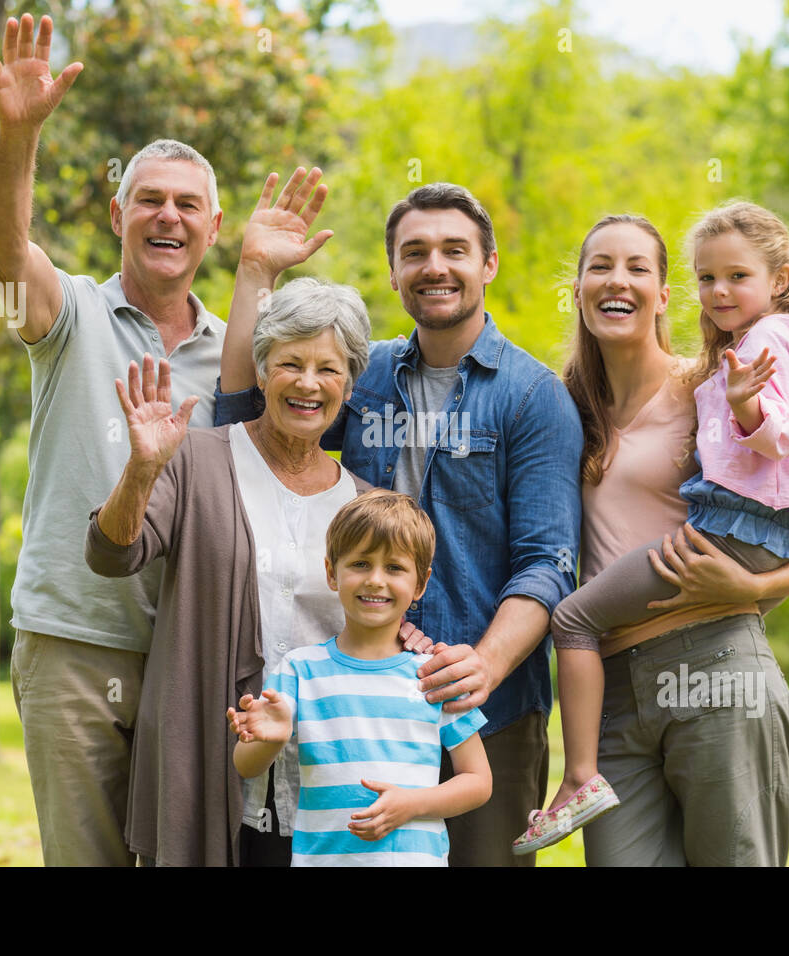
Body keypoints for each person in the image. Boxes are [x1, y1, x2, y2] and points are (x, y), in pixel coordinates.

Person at [217, 182, 583, 866]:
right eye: (415, 252)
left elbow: (550, 561)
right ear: (393, 272)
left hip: (487, 711)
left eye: (454, 250)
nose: (434, 266)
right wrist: (257, 277)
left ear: (490, 263)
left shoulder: (534, 397)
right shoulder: (365, 375)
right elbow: (242, 418)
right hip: (361, 704)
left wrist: (487, 663)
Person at [518, 202, 789, 855]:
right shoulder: (562, 407)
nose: (616, 281)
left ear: (662, 295)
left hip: (715, 665)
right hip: (611, 688)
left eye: (637, 268)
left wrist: (745, 588)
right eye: (599, 267)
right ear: (577, 291)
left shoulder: (713, 389)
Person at [0, 13, 233, 865]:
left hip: (186, 652)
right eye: (150, 200)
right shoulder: (70, 313)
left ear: (213, 227)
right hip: (75, 643)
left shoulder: (233, 351)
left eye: (187, 205)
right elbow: (6, 252)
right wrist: (20, 135)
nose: (168, 216)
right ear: (120, 212)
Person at [86, 276, 433, 866]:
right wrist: (143, 469)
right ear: (263, 368)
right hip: (214, 762)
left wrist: (409, 634)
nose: (307, 383)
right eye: (289, 362)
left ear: (348, 385)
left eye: (328, 369)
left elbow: (379, 607)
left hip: (327, 789)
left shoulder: (362, 505)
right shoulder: (198, 459)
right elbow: (111, 555)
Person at [227, 490, 493, 866]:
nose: (375, 580)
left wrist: (412, 804)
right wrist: (272, 740)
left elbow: (478, 781)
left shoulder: (434, 674)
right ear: (332, 573)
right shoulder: (299, 671)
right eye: (361, 564)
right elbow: (245, 765)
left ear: (421, 583)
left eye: (395, 568)